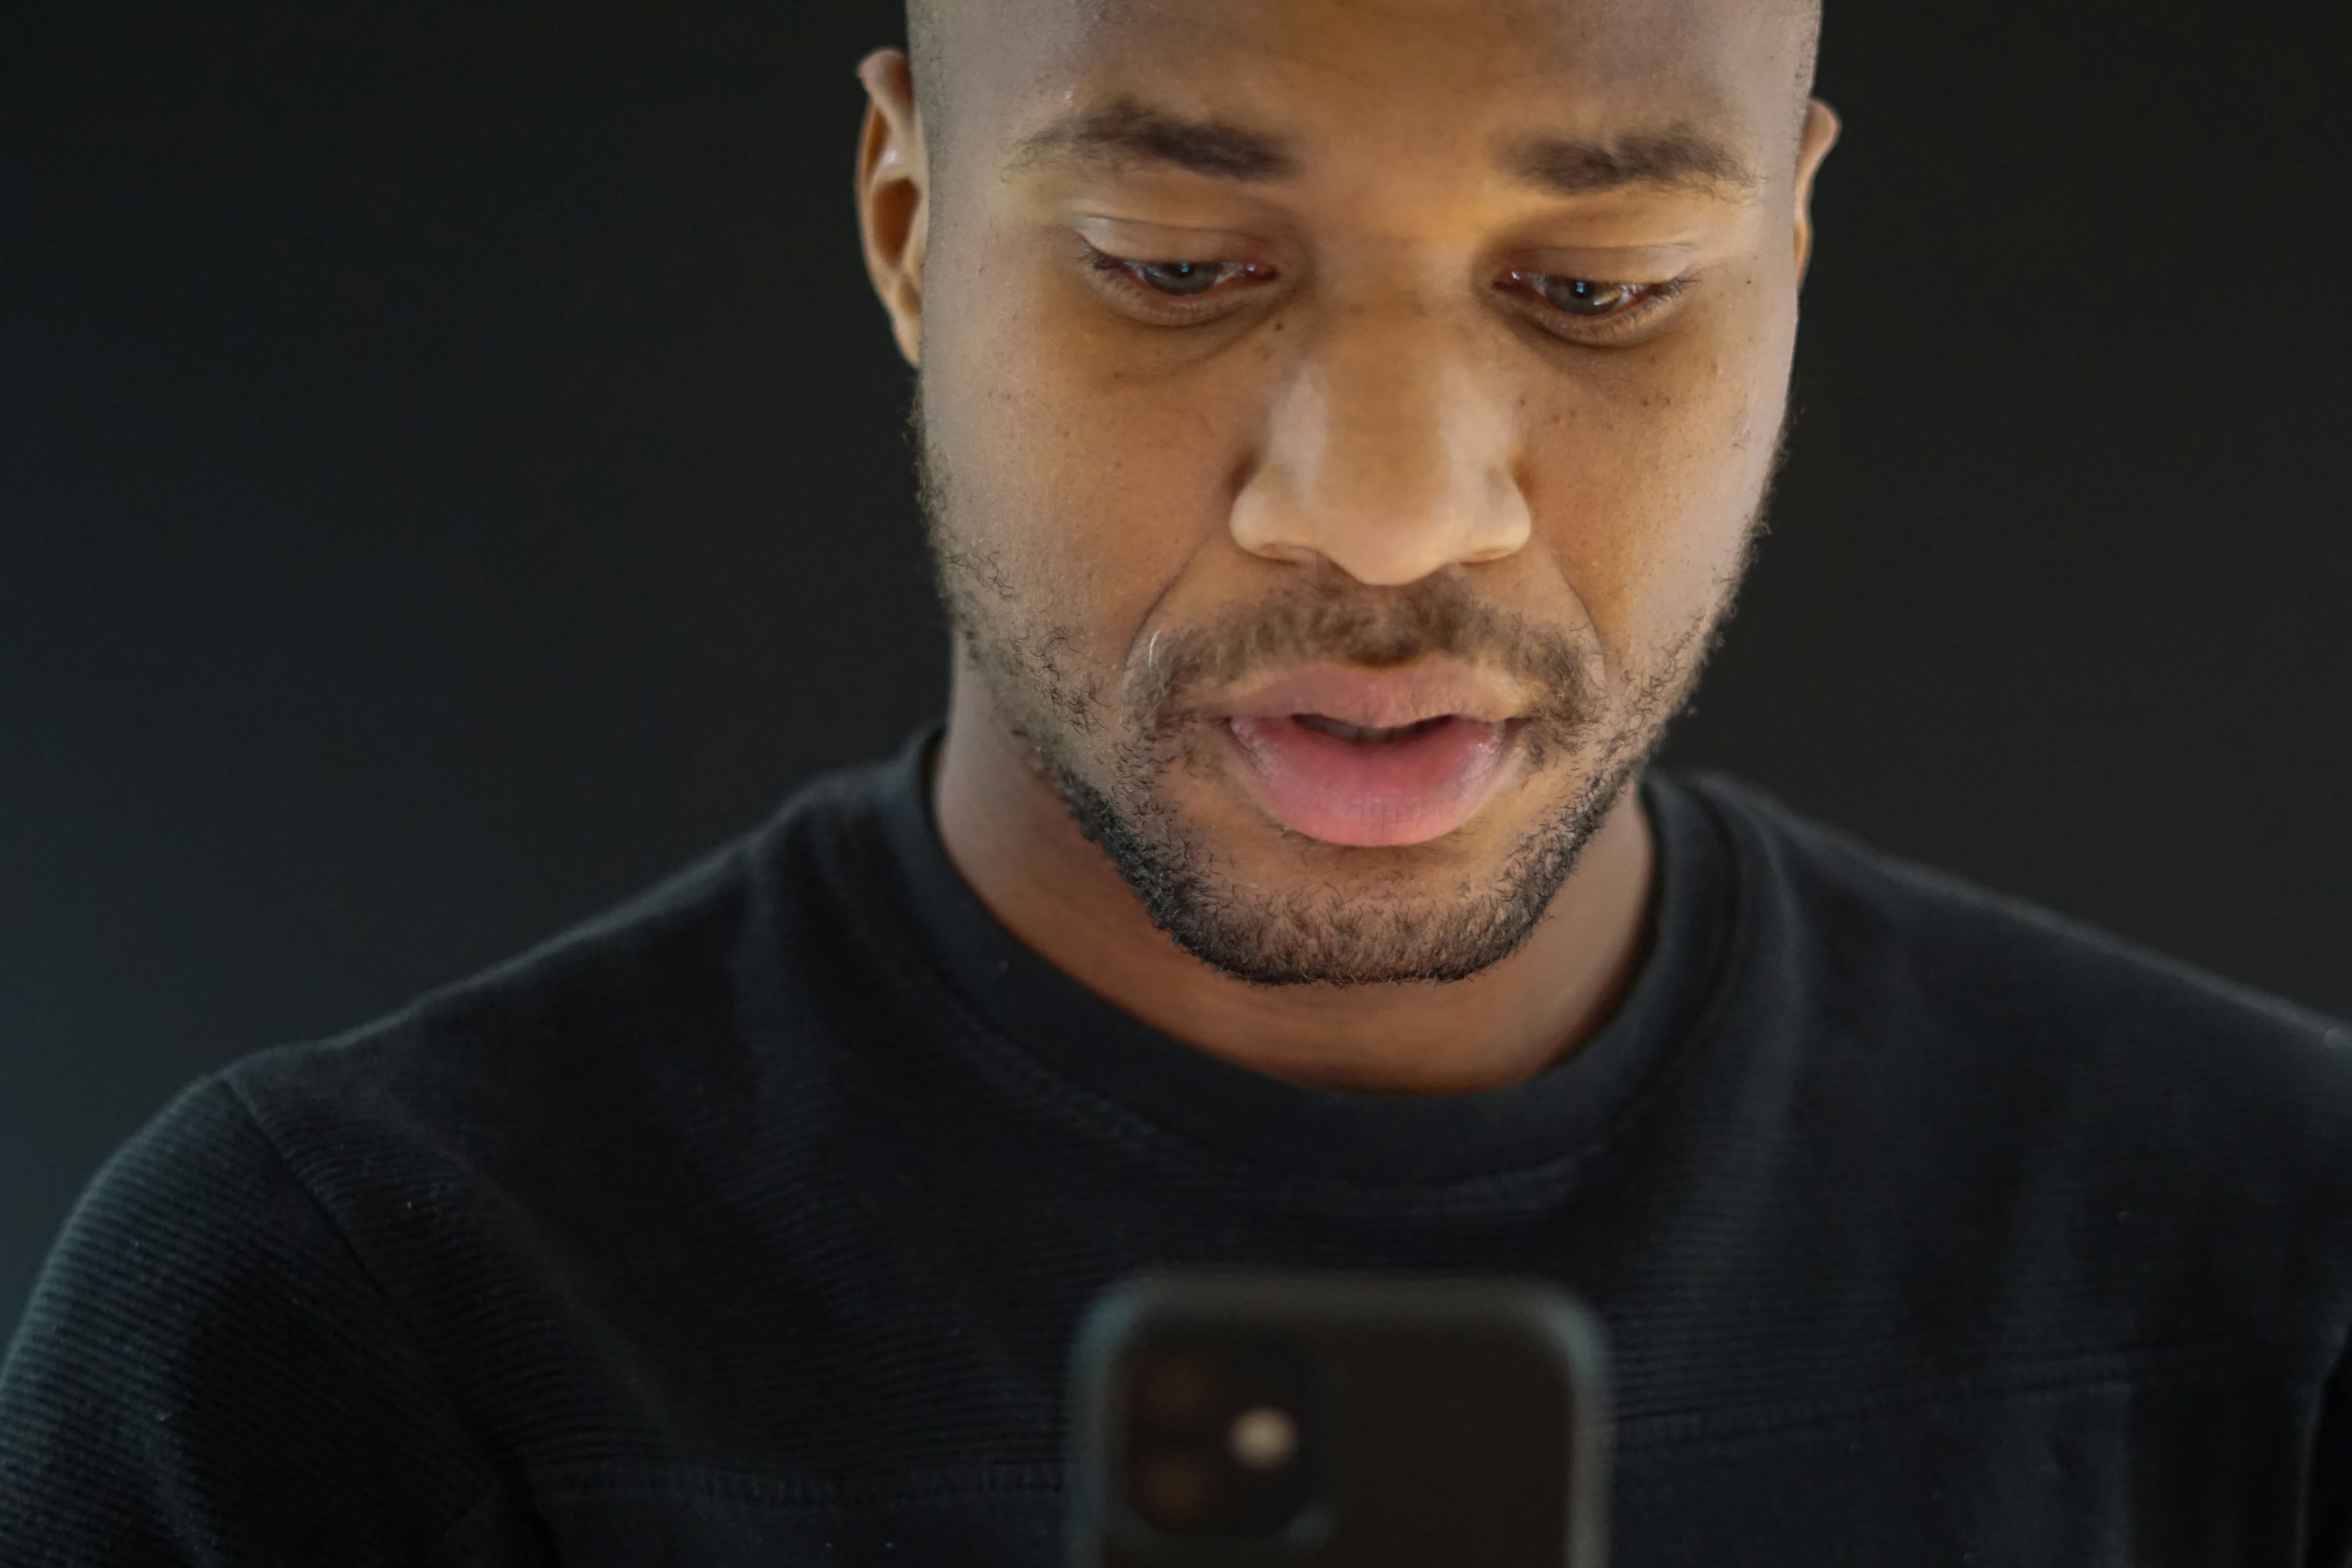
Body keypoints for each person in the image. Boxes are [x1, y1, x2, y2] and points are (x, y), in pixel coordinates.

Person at [3, 0, 2347, 1561]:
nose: (1397, 511)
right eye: (1172, 263)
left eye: (1606, 287)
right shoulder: (331, 1349)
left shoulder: (2291, 1278)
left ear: (1797, 253)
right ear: (912, 224)